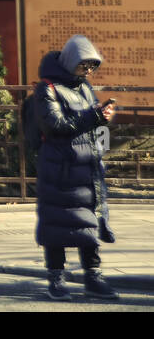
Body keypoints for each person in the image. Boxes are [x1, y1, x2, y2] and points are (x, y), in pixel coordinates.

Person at [34, 34, 119, 300]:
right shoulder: (46, 88)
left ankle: (93, 277)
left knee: (89, 223)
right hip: (59, 169)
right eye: (85, 65)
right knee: (56, 224)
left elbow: (88, 122)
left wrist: (102, 117)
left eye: (93, 66)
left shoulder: (83, 87)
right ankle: (56, 279)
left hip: (87, 169)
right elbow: (55, 125)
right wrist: (93, 117)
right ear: (71, 61)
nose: (89, 71)